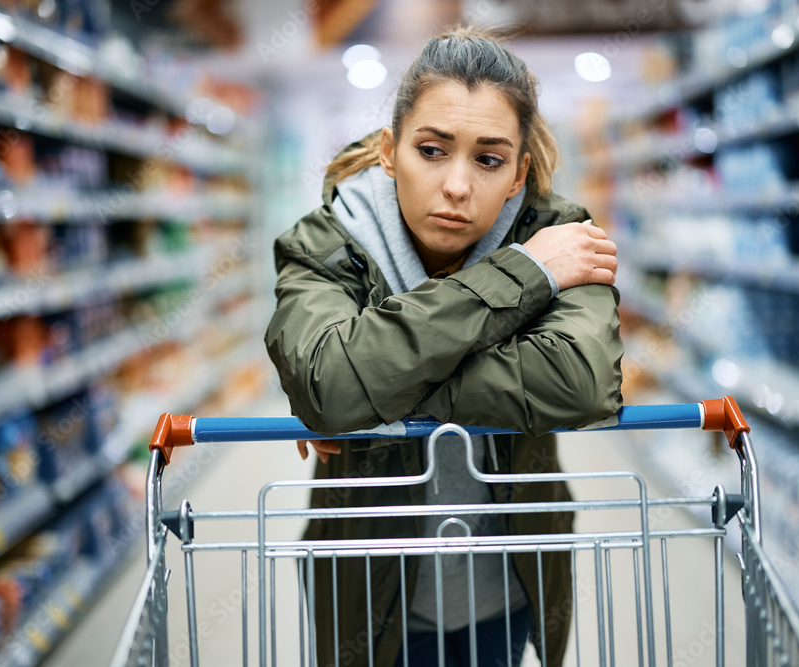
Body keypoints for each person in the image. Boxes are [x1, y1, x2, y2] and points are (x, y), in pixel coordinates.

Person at [265, 25, 623, 667]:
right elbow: (330, 385)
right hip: (368, 586)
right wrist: (523, 275)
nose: (457, 186)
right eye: (431, 151)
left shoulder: (563, 237)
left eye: (488, 160)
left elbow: (582, 379)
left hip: (510, 581)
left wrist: (369, 388)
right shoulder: (324, 245)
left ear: (518, 175)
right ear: (388, 150)